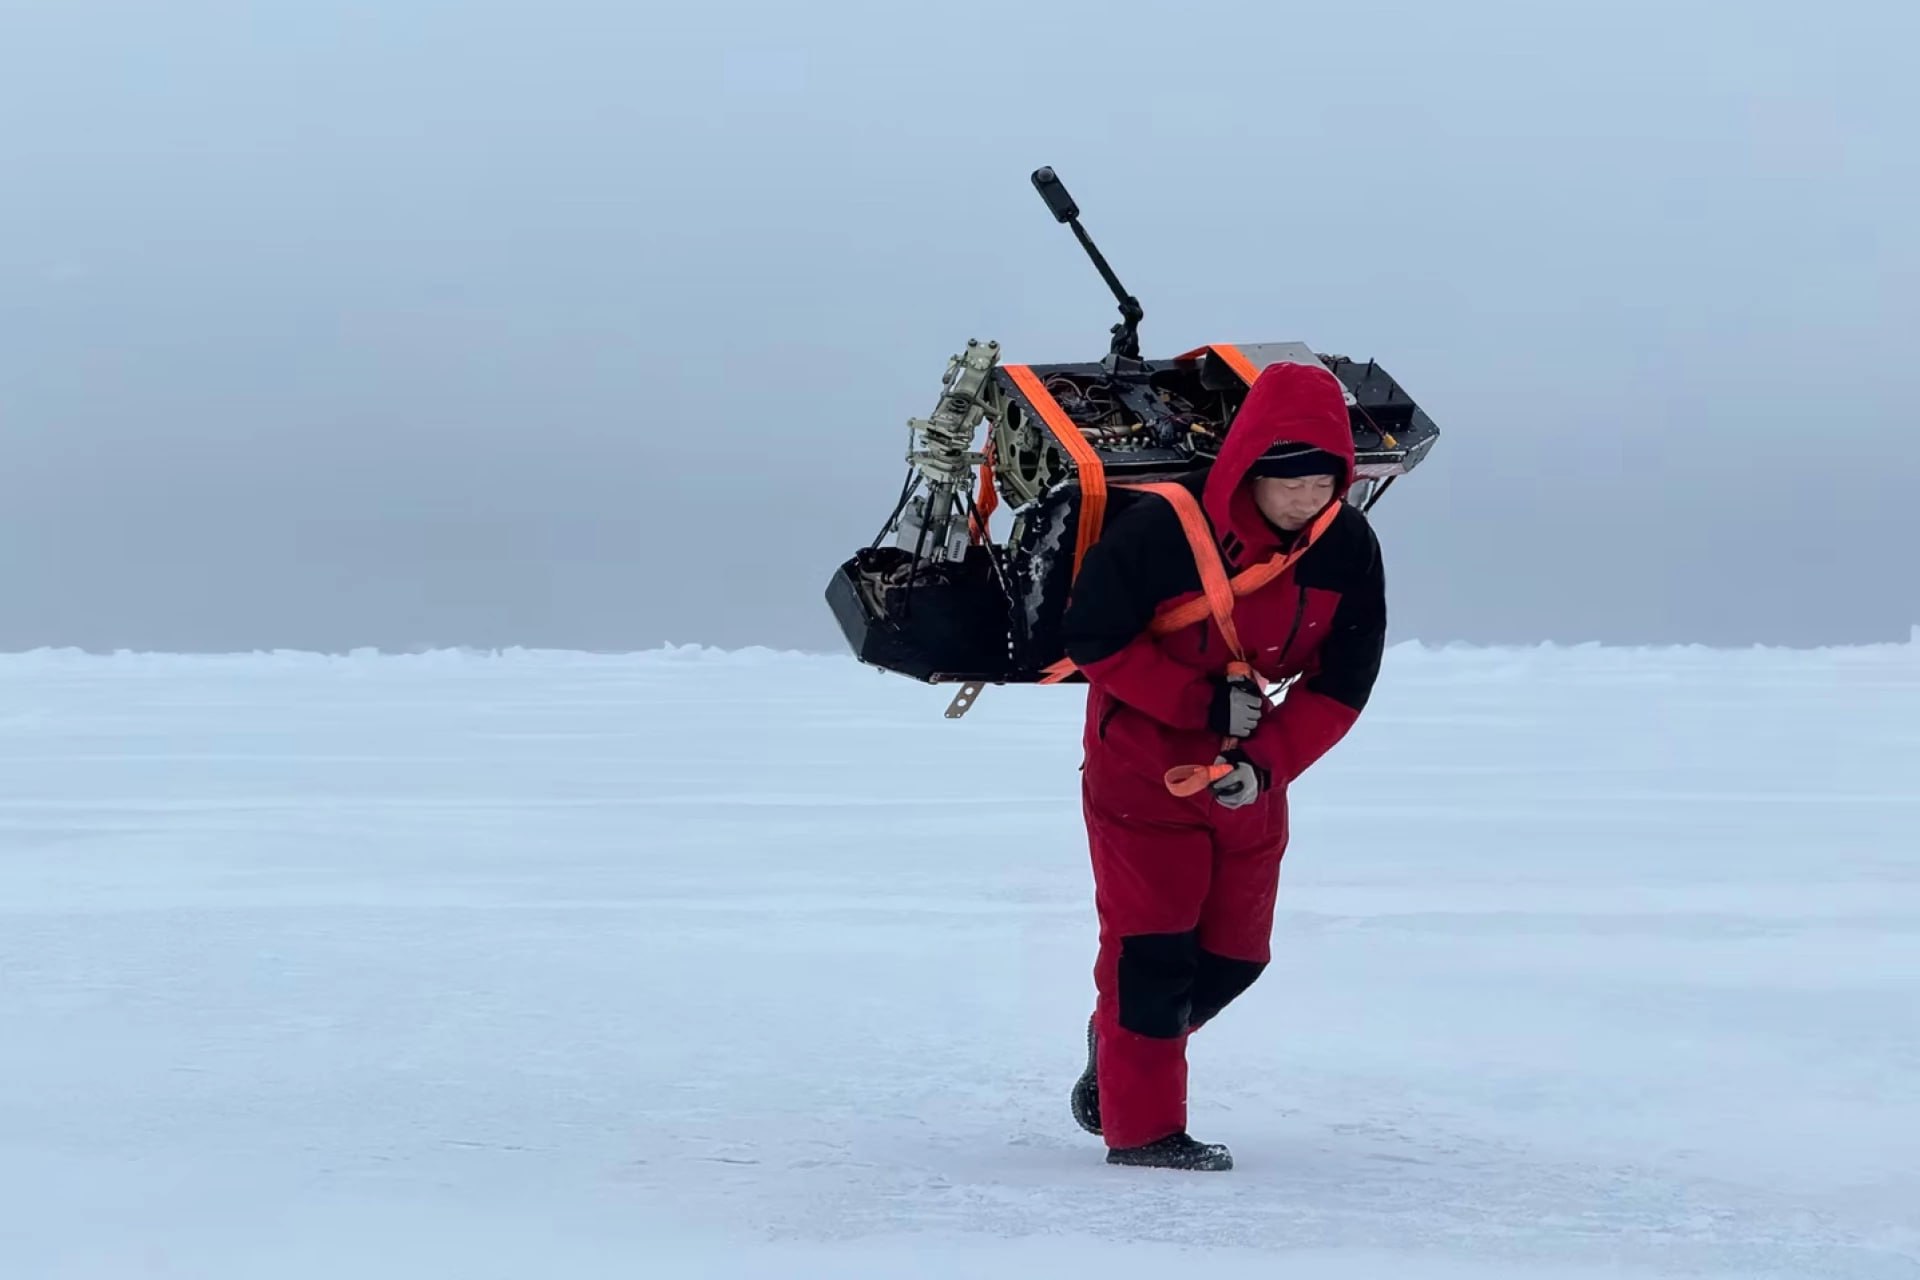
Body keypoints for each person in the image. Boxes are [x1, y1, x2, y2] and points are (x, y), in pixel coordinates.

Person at [1057, 358, 1388, 1171]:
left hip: (1246, 774)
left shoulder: (1348, 545)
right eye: (1291, 480)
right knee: (1152, 957)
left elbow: (1344, 684)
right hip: (1142, 768)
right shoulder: (1164, 528)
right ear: (1248, 467)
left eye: (1326, 481)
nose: (1310, 496)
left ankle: (1120, 1040)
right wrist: (1196, 705)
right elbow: (1094, 640)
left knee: (1237, 958)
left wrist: (1268, 760)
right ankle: (1143, 1133)